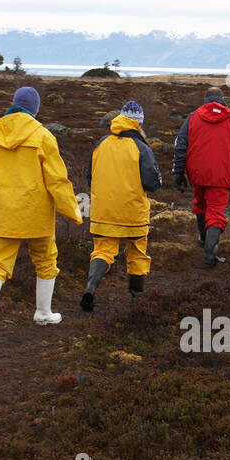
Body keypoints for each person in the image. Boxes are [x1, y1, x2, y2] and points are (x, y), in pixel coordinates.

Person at [0, 85, 82, 338]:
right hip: (36, 214)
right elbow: (57, 180)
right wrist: (72, 210)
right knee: (46, 260)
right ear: (35, 110)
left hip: (3, 213)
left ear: (14, 104)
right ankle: (43, 313)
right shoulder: (43, 136)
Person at [81, 99, 162, 311]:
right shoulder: (141, 148)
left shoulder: (101, 143)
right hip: (132, 212)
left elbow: (89, 176)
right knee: (137, 252)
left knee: (103, 251)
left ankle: (91, 285)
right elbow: (152, 183)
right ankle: (137, 299)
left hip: (103, 211)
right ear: (139, 124)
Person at [173, 87, 230, 266]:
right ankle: (210, 253)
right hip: (220, 173)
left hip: (196, 172)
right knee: (215, 211)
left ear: (205, 99)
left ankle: (203, 239)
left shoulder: (193, 116)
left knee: (200, 205)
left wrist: (178, 173)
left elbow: (180, 145)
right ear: (222, 98)